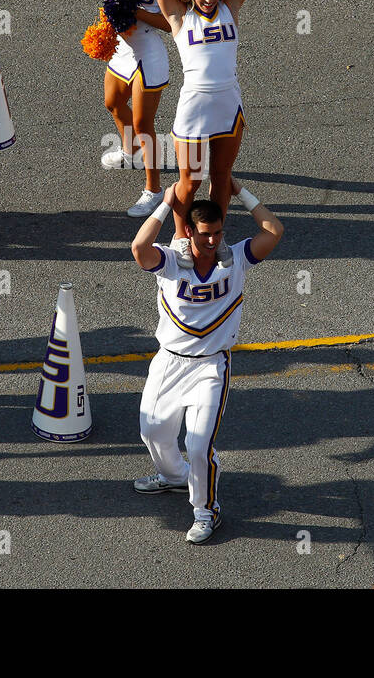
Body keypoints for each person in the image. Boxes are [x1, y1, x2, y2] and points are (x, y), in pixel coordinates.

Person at [129, 177, 283, 544]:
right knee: (152, 433)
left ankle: (206, 511)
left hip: (210, 367)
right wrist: (165, 204)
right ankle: (172, 476)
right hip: (169, 362)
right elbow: (138, 247)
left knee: (199, 445)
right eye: (203, 234)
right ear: (189, 233)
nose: (211, 241)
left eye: (216, 233)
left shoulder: (237, 261)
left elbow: (274, 231)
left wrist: (238, 190)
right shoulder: (169, 263)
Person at [138, 0, 287, 241]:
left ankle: (214, 238)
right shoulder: (178, 16)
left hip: (228, 105)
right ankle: (179, 238)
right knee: (189, 180)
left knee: (221, 177)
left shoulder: (230, 7)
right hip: (194, 106)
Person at [104, 0, 181, 218]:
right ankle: (132, 153)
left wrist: (135, 12)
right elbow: (112, 5)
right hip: (123, 49)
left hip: (148, 52)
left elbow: (172, 23)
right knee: (112, 103)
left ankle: (154, 190)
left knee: (142, 125)